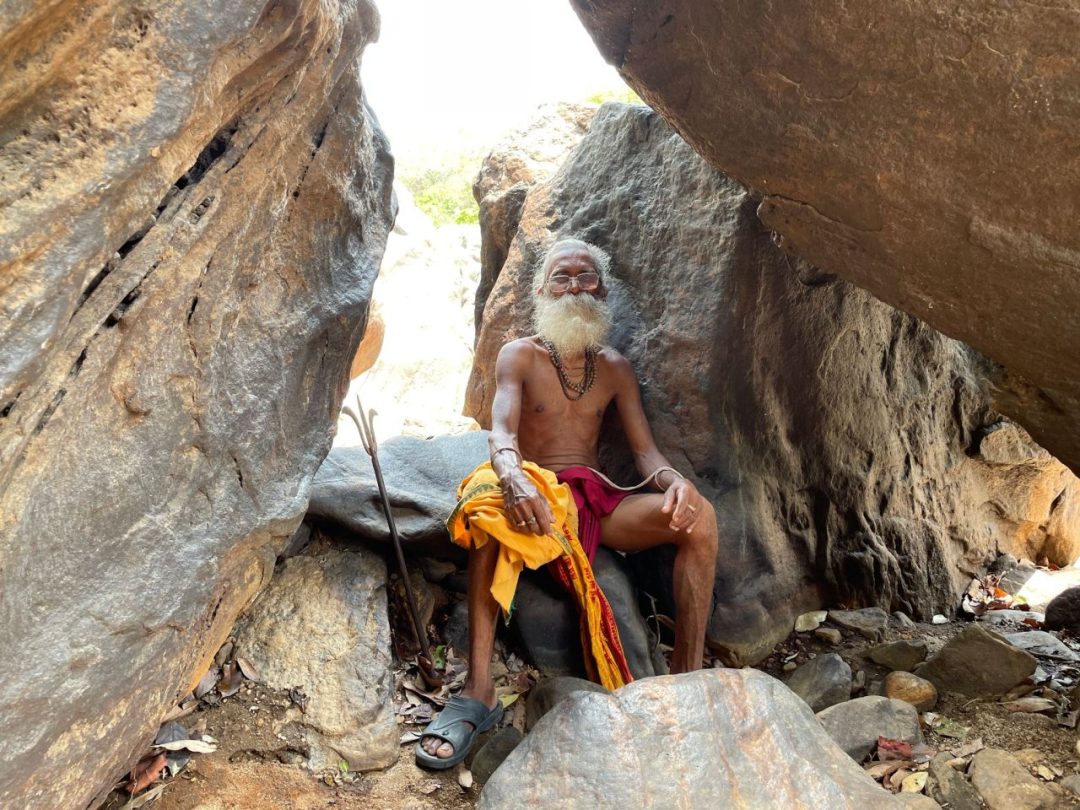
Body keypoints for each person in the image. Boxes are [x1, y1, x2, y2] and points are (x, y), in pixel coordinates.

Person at [416, 238, 718, 769]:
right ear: (541, 290)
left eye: (585, 276)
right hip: (532, 502)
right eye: (562, 276)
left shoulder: (615, 367)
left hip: (593, 505)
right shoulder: (520, 355)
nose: (574, 285)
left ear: (602, 290)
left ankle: (685, 679)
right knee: (488, 510)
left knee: (701, 519)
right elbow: (501, 432)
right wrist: (514, 478)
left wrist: (676, 483)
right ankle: (479, 691)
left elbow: (646, 454)